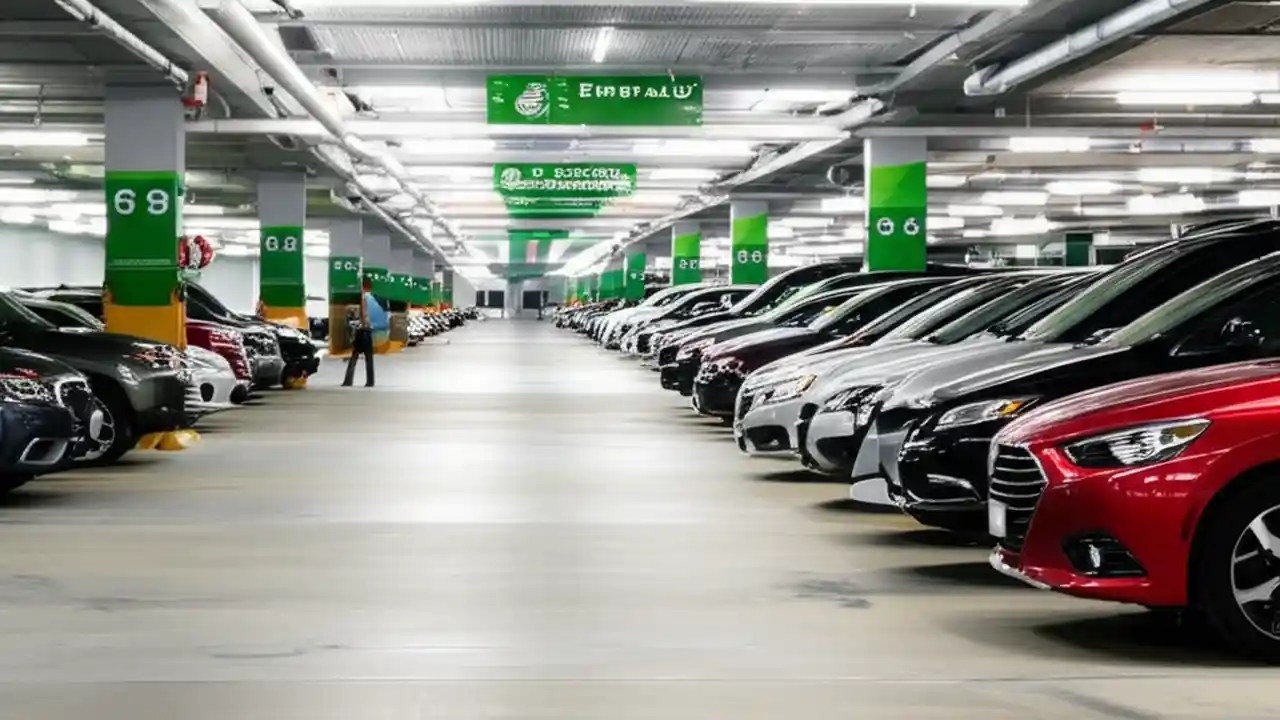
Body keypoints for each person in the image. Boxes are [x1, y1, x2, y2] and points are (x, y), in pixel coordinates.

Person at [342, 279, 387, 388]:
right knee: (368, 359)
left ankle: (348, 380)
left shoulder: (363, 298)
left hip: (362, 331)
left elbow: (364, 314)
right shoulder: (374, 298)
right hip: (367, 331)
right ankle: (370, 381)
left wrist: (363, 323)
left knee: (354, 357)